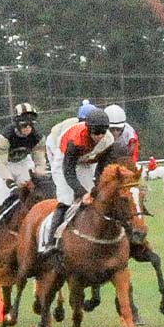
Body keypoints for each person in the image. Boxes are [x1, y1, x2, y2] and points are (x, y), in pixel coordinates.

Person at [0, 103, 52, 245]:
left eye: (31, 125)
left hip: (24, 163)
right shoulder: (5, 136)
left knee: (33, 195)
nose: (28, 129)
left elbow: (40, 160)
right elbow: (1, 164)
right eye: (24, 125)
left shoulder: (38, 137)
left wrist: (39, 177)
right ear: (16, 123)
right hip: (4, 164)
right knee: (3, 198)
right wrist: (10, 182)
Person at [40, 107, 116, 251]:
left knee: (93, 198)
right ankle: (50, 242)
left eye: (103, 132)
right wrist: (81, 192)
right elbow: (68, 171)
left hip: (86, 159)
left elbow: (101, 168)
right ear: (88, 129)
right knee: (67, 199)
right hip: (64, 158)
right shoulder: (76, 139)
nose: (99, 136)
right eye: (96, 132)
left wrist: (95, 188)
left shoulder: (109, 140)